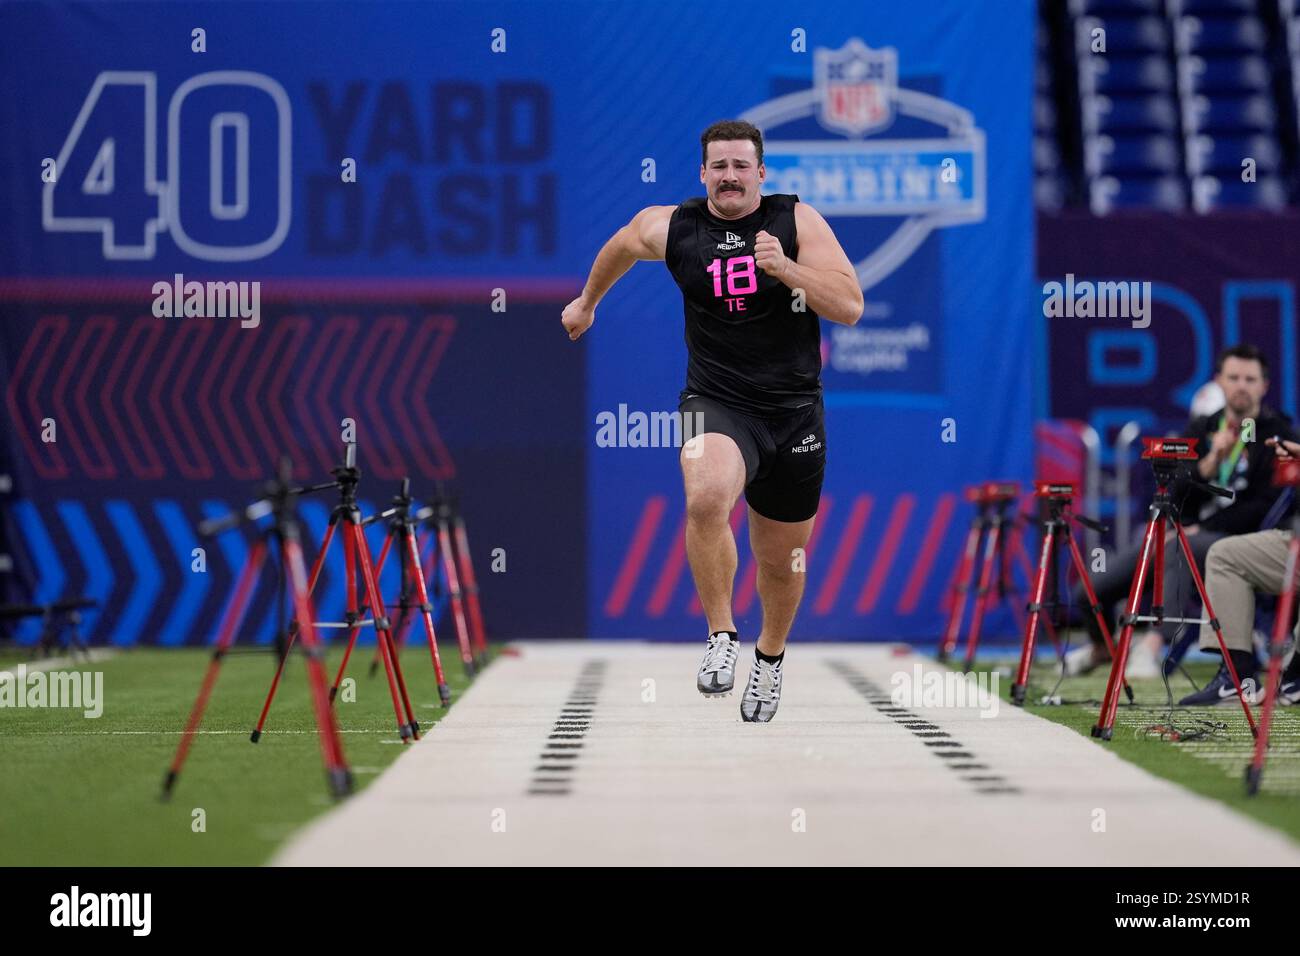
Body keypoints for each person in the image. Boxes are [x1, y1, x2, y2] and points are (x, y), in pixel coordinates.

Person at [561, 119, 864, 721]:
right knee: (705, 497)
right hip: (717, 401)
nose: (730, 176)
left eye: (740, 166)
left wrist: (786, 269)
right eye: (719, 167)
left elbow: (850, 305)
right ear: (702, 174)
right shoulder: (676, 226)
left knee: (781, 561)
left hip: (794, 413)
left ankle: (769, 660)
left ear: (761, 173)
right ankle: (721, 635)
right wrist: (587, 302)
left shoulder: (796, 221)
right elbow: (622, 244)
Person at [1066, 344, 1295, 678]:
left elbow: (1264, 506)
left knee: (1178, 549)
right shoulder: (1203, 428)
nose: (1241, 386)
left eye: (1250, 379)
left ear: (1264, 386)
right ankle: (1103, 648)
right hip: (1184, 534)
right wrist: (1210, 461)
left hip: (1240, 540)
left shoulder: (1276, 434)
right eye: (1234, 378)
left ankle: (1151, 647)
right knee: (1090, 591)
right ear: (1219, 381)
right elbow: (1170, 490)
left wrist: (1200, 529)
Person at [1179, 434, 1300, 706]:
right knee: (1225, 555)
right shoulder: (1206, 427)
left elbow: (1258, 506)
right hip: (1292, 537)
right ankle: (1239, 679)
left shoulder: (1272, 425)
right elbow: (1181, 491)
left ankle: (1296, 676)